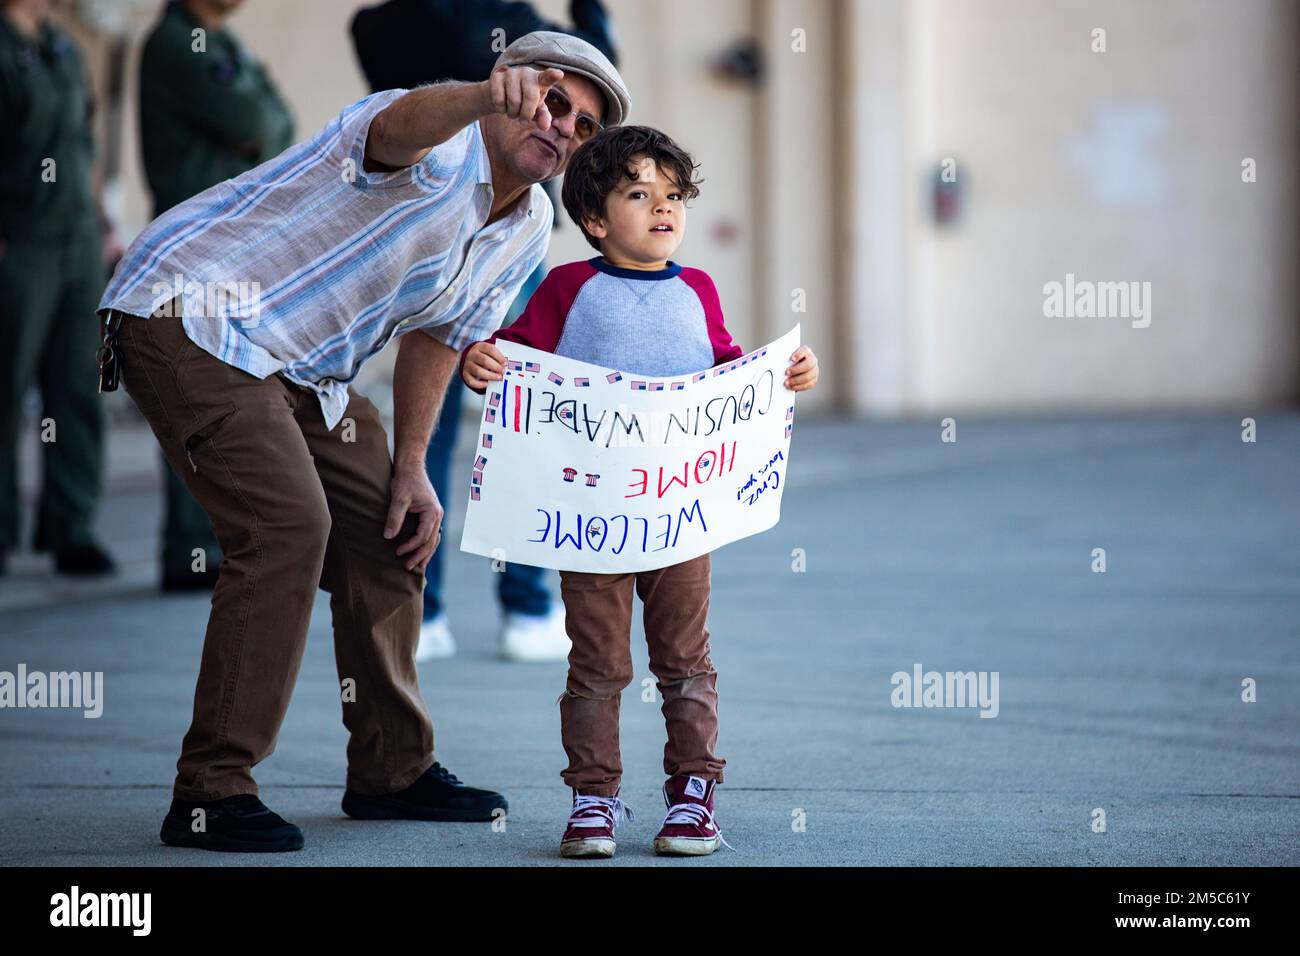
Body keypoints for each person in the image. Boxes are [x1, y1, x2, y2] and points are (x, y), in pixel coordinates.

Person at [97, 31, 630, 852]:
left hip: (305, 368)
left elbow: (438, 338)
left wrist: (413, 469)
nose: (563, 127)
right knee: (285, 528)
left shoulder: (525, 225)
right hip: (190, 311)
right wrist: (487, 96)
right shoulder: (436, 138)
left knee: (394, 529)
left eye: (586, 127)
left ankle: (391, 772)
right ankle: (212, 789)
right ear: (516, 84)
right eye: (555, 100)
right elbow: (394, 130)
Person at [459, 125, 821, 858]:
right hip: (592, 521)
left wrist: (781, 373)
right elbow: (518, 353)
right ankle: (594, 798)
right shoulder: (570, 287)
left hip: (682, 517)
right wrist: (483, 356)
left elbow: (727, 373)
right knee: (596, 663)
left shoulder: (698, 289)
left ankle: (694, 793)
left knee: (685, 660)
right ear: (594, 220)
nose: (664, 209)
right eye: (639, 194)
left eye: (674, 196)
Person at [351, 0, 620, 662]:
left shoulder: (377, 24)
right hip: (493, 218)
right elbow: (596, 67)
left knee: (434, 415)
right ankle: (526, 607)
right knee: (523, 412)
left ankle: (427, 608)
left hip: (431, 224)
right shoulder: (505, 18)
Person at [139, 0, 294, 591]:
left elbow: (278, 123)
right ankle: (188, 547)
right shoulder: (179, 43)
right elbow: (256, 124)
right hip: (189, 246)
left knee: (229, 388)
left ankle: (214, 538)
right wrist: (256, 134)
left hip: (226, 246)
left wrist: (259, 132)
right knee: (192, 389)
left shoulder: (222, 43)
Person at [0, 0, 116, 577]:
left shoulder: (63, 44)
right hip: (18, 240)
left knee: (77, 388)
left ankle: (70, 528)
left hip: (76, 241)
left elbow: (83, 142)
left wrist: (102, 223)